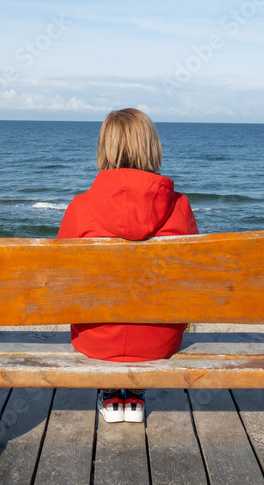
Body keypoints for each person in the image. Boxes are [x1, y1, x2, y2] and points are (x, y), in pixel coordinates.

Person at [57, 108, 198, 423]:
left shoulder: (80, 208)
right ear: (152, 147)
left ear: (104, 148)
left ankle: (111, 392)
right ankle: (133, 394)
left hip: (95, 339)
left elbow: (59, 283)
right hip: (159, 340)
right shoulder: (180, 206)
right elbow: (194, 281)